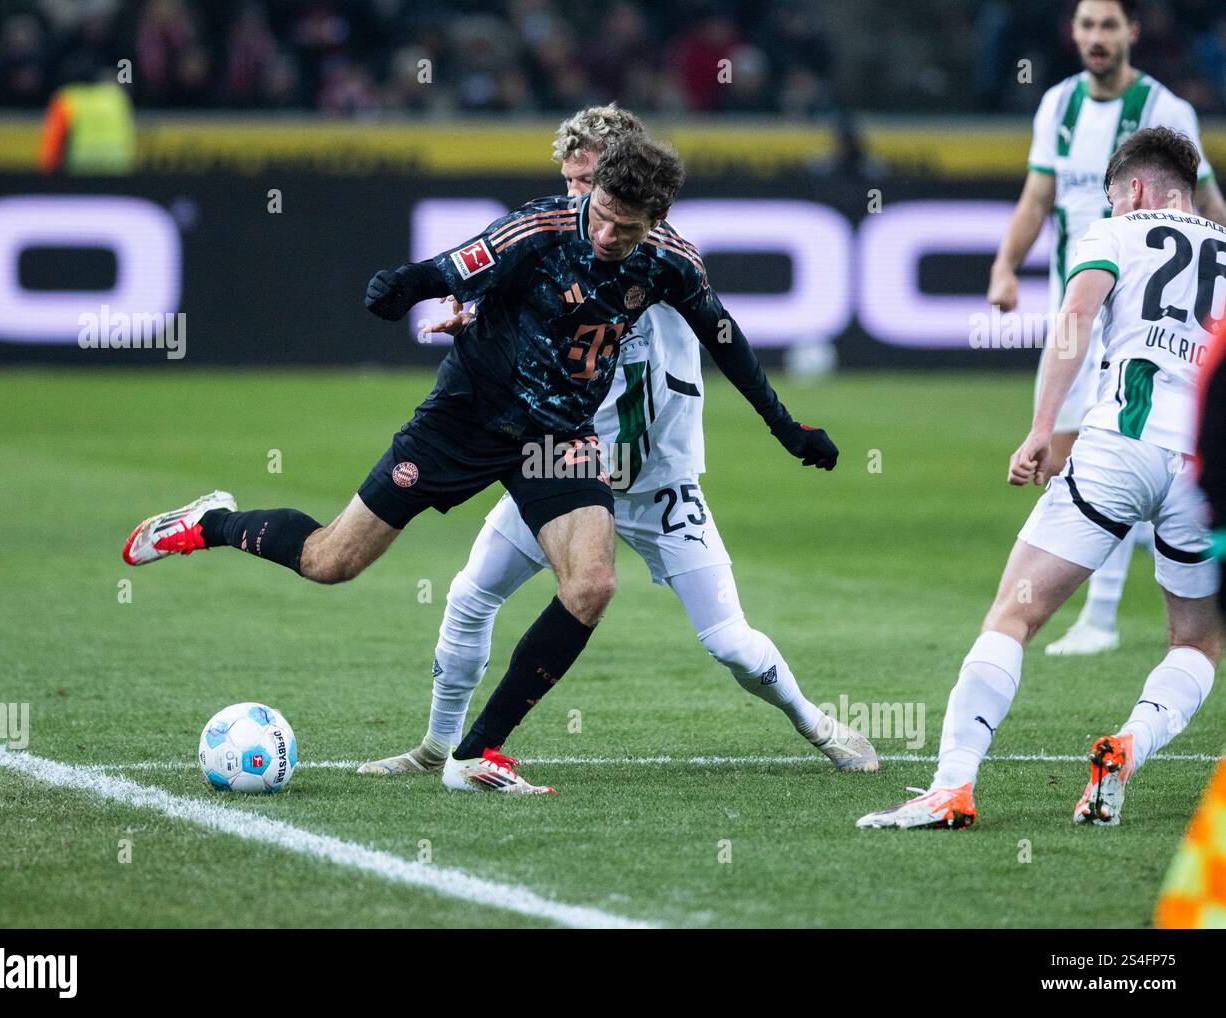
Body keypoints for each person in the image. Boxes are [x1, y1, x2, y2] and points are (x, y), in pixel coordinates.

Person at [123, 131, 840, 795]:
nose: (608, 233)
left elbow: (725, 339)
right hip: (467, 416)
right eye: (603, 214)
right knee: (331, 561)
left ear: (659, 218)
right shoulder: (542, 228)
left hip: (557, 435)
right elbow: (450, 266)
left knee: (590, 585)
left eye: (629, 225)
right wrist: (401, 286)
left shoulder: (670, 262)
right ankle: (211, 522)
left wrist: (788, 427)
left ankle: (477, 754)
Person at [358, 105, 877, 781]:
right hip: (563, 469)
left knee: (731, 644)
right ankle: (438, 750)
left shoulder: (654, 260)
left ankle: (815, 722)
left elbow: (722, 338)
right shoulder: (568, 237)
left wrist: (786, 427)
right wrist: (483, 320)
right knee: (467, 595)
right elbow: (537, 306)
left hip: (657, 484)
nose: (576, 201)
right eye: (571, 183)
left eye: (589, 181)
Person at [860, 127, 1222, 830]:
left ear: (1138, 191)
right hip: (1202, 468)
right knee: (1196, 642)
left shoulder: (1117, 232)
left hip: (1119, 444)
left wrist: (1041, 426)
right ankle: (1128, 747)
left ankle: (952, 787)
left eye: (1116, 198)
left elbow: (1076, 319)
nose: (1116, 207)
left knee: (1015, 614)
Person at [987, 0, 1225, 657]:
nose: (1095, 37)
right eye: (1086, 26)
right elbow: (1037, 197)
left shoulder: (1166, 109)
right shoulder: (1057, 105)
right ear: (1075, 33)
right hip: (1079, 308)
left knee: (1125, 440)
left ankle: (1101, 614)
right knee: (1070, 452)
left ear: (1131, 34)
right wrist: (1006, 265)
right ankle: (1102, 605)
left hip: (1139, 316)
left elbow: (1205, 203)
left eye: (1107, 26)